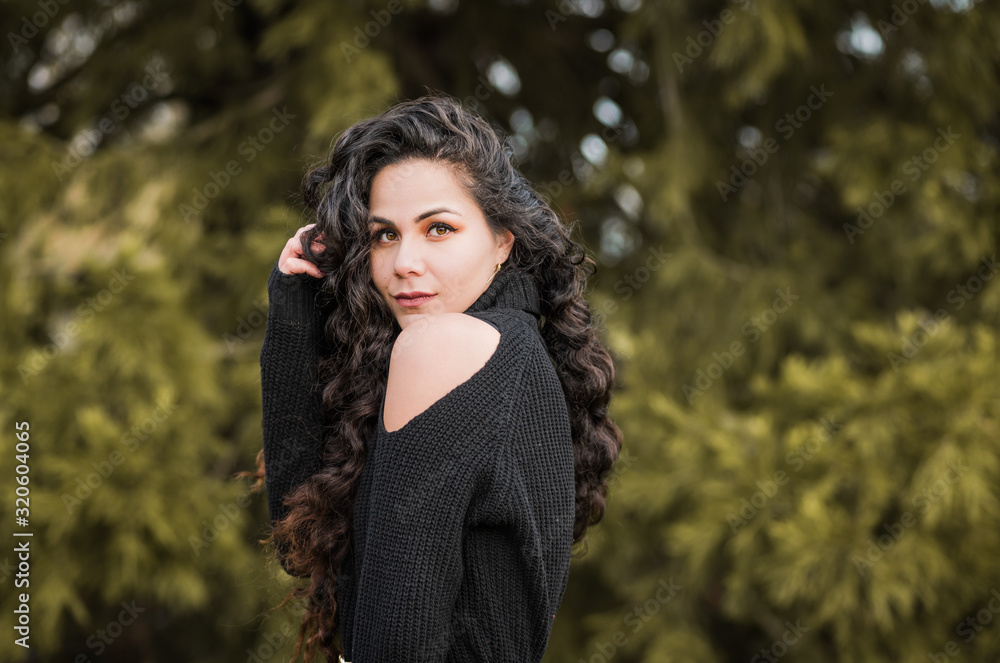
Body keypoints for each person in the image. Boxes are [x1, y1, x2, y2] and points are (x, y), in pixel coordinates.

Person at [247, 93, 623, 662]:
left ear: (502, 241)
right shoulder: (513, 352)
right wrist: (295, 304)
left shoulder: (445, 347)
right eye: (385, 234)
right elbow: (298, 543)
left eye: (439, 228)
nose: (404, 263)